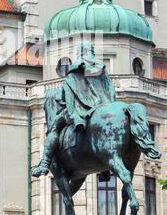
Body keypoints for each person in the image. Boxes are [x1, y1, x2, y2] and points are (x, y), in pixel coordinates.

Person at [32, 41, 116, 176]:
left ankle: (44, 163)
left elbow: (69, 96)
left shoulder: (76, 70)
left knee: (54, 128)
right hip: (104, 107)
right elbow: (112, 91)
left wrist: (72, 114)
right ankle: (105, 167)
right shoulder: (102, 69)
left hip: (82, 110)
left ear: (81, 53)